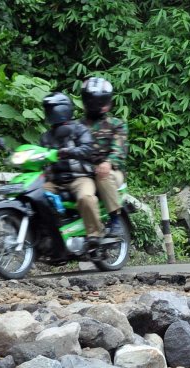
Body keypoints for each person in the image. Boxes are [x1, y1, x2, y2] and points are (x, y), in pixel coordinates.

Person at [39, 92, 99, 243]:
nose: (48, 112)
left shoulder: (79, 130)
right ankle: (47, 234)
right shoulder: (46, 137)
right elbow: (40, 155)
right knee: (35, 197)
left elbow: (88, 148)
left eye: (51, 109)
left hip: (79, 178)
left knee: (86, 198)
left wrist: (70, 151)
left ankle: (94, 235)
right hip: (55, 181)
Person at [81, 76, 128, 238]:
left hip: (111, 173)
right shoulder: (77, 126)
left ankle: (115, 219)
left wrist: (107, 162)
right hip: (83, 173)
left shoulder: (116, 124)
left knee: (103, 175)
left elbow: (119, 150)